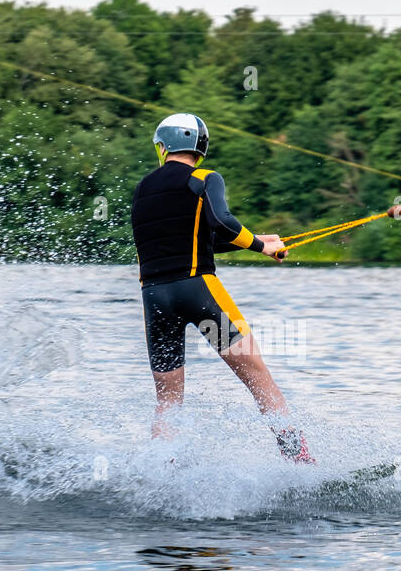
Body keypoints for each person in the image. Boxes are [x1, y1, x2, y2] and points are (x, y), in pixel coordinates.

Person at [130, 112, 315, 463]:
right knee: (258, 378)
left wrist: (257, 240)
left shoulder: (143, 188)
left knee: (168, 402)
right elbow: (223, 222)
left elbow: (192, 238)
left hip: (155, 299)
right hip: (199, 292)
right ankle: (301, 462)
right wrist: (262, 247)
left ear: (163, 146)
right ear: (200, 147)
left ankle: (156, 473)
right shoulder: (204, 178)